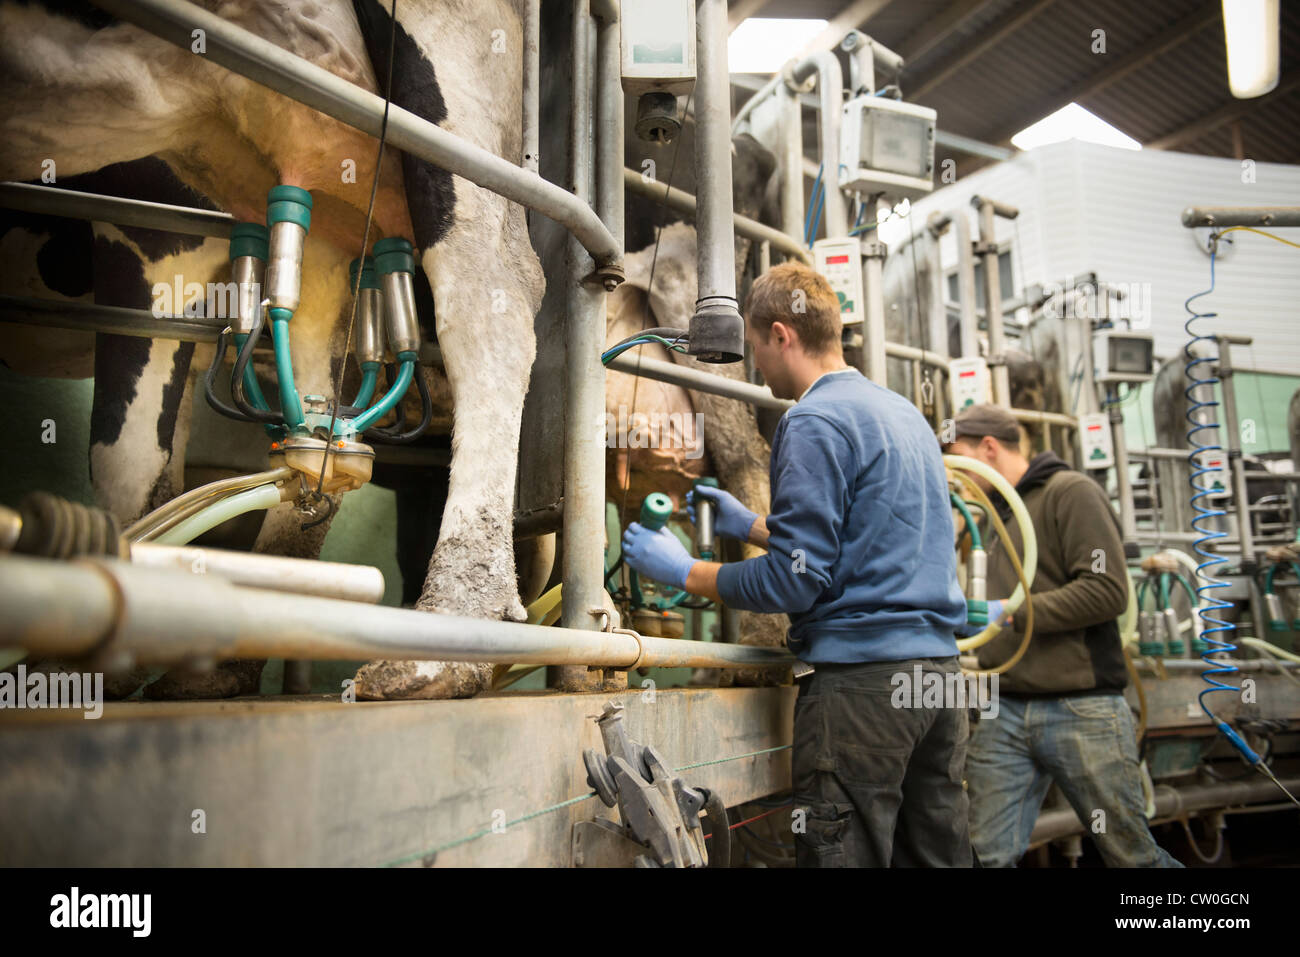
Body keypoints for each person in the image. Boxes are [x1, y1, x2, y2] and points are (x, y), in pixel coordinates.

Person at [620, 262, 970, 867]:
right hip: (937, 681)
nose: (756, 365)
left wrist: (683, 571)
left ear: (781, 334)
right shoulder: (902, 414)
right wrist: (753, 525)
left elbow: (796, 581)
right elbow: (869, 539)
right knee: (938, 858)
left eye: (755, 347)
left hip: (864, 691)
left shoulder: (811, 420)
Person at [943, 403, 1181, 867]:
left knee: (1131, 857)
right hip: (1005, 705)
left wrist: (1010, 614)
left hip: (1080, 706)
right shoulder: (993, 517)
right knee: (982, 856)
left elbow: (1107, 591)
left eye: (959, 456)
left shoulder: (1070, 493)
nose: (956, 474)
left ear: (988, 448)